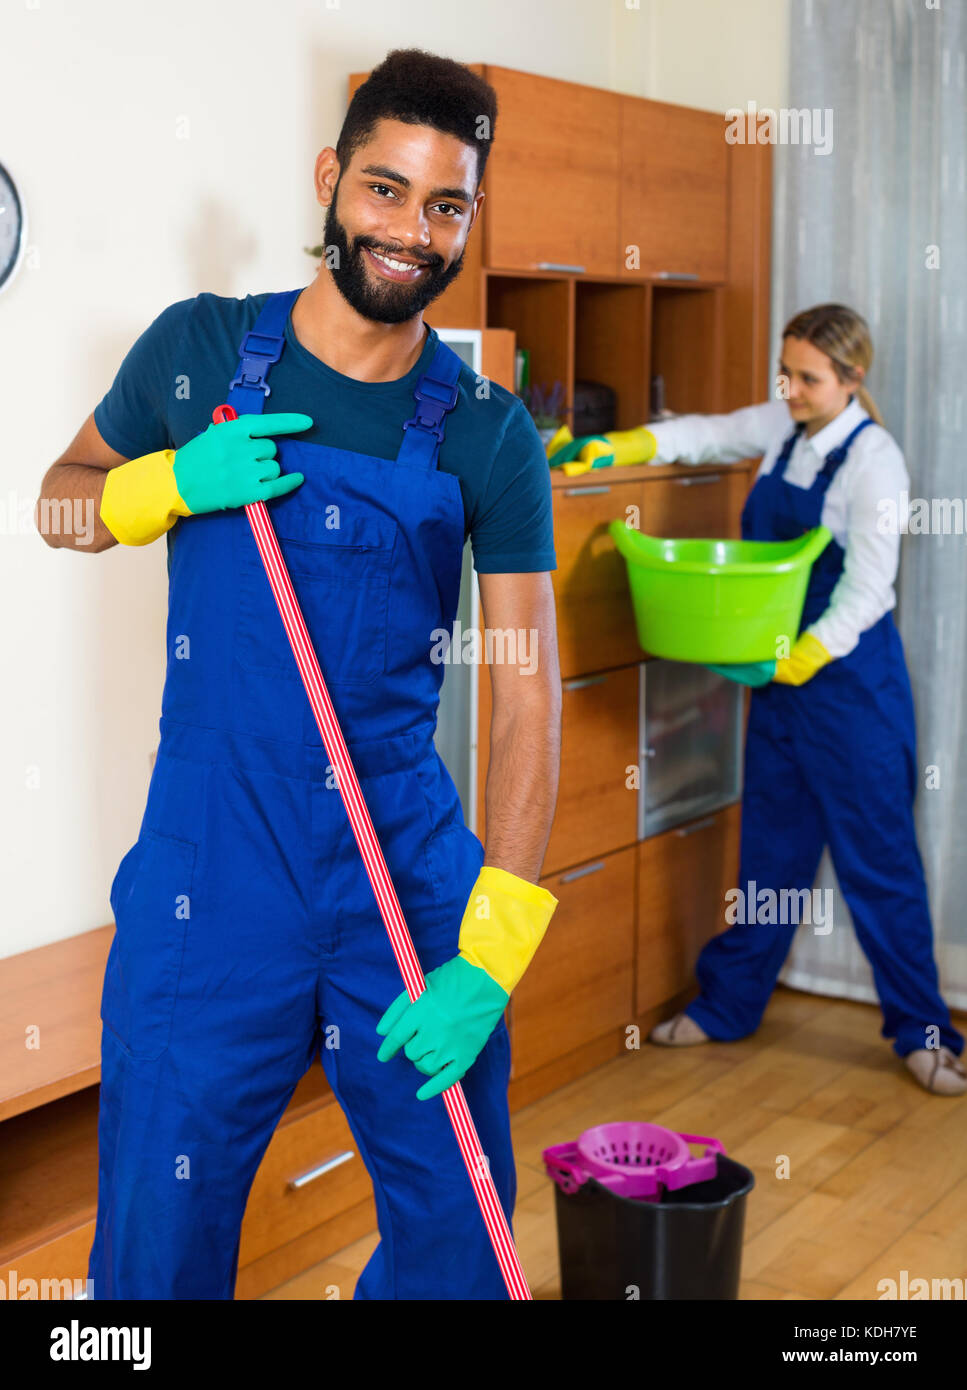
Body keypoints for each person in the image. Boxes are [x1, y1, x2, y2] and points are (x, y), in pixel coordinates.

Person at [36, 49, 562, 1299]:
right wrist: (157, 485)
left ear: (470, 219)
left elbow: (529, 697)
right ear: (330, 180)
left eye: (446, 205)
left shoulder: (489, 431)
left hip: (404, 875)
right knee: (153, 1257)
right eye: (385, 191)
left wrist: (492, 950)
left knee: (458, 1246)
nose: (410, 231)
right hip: (210, 881)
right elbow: (55, 508)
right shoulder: (197, 352)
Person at [641, 304, 966, 1097]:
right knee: (771, 857)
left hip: (848, 689)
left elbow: (867, 588)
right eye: (784, 373)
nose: (790, 389)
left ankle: (922, 1035)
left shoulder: (873, 461)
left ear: (850, 380)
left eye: (808, 379)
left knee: (878, 864)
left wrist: (804, 655)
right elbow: (712, 432)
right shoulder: (784, 426)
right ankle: (728, 1005)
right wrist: (633, 443)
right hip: (780, 690)